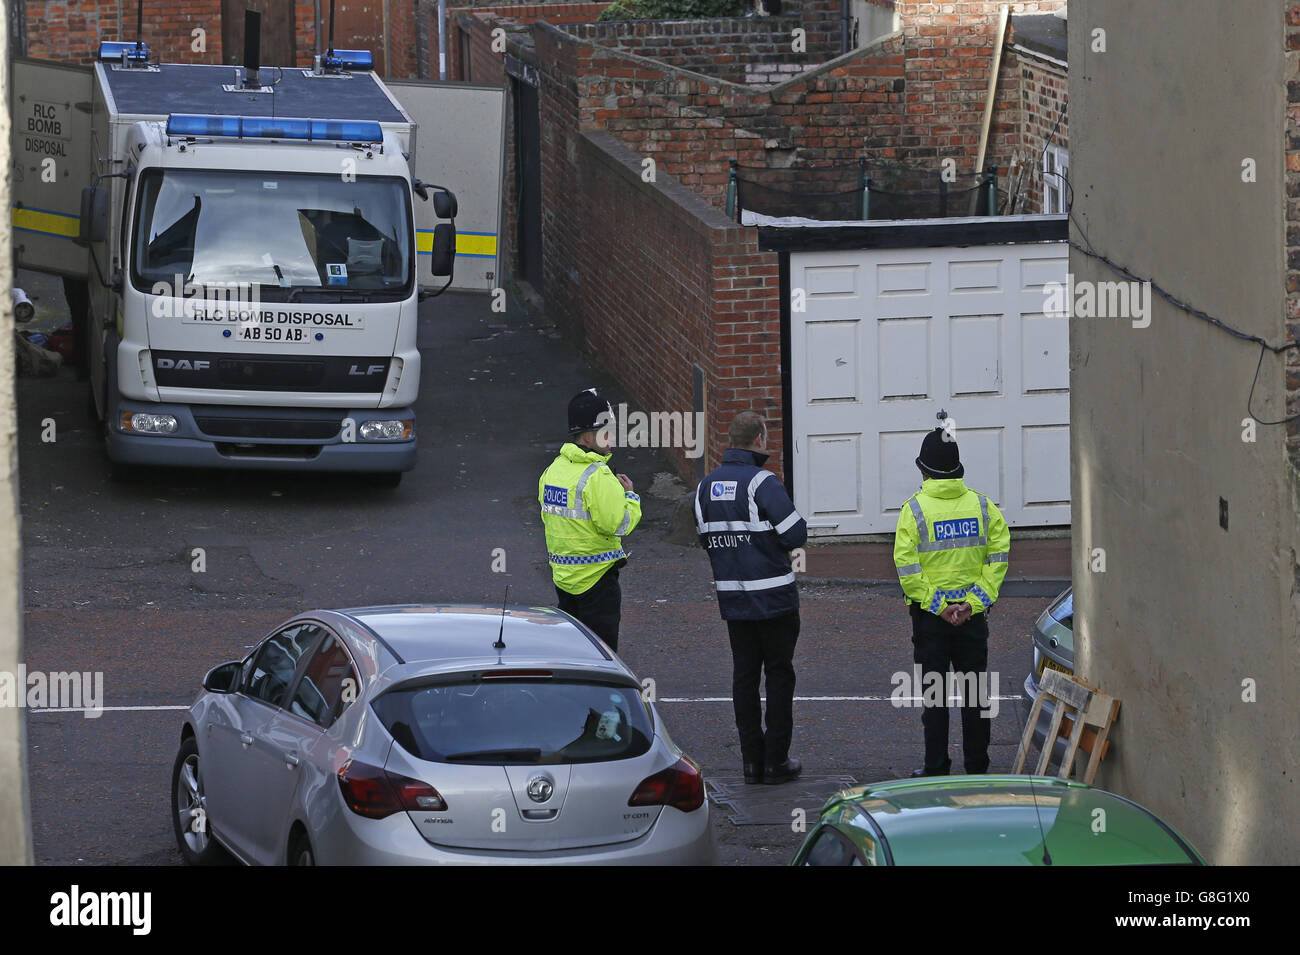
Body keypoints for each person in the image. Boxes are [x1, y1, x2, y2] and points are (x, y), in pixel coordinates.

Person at [695, 411, 807, 785]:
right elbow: (795, 534)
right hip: (774, 598)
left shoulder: (705, 487)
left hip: (734, 600)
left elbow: (705, 538)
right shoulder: (764, 482)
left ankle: (751, 763)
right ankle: (776, 762)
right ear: (759, 438)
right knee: (778, 674)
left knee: (744, 676)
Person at [893, 423, 1010, 777]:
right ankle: (977, 769)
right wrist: (973, 603)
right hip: (972, 619)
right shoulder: (984, 507)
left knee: (935, 697)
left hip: (932, 621)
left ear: (924, 470)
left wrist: (938, 605)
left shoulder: (913, 511)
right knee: (975, 696)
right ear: (958, 469)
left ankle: (935, 769)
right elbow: (998, 558)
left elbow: (907, 567)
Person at [539, 388, 641, 651]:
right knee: (603, 657)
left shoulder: (553, 471)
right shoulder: (597, 475)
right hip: (598, 582)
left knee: (574, 654)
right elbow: (617, 524)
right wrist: (630, 498)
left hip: (564, 579)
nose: (613, 436)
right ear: (588, 435)